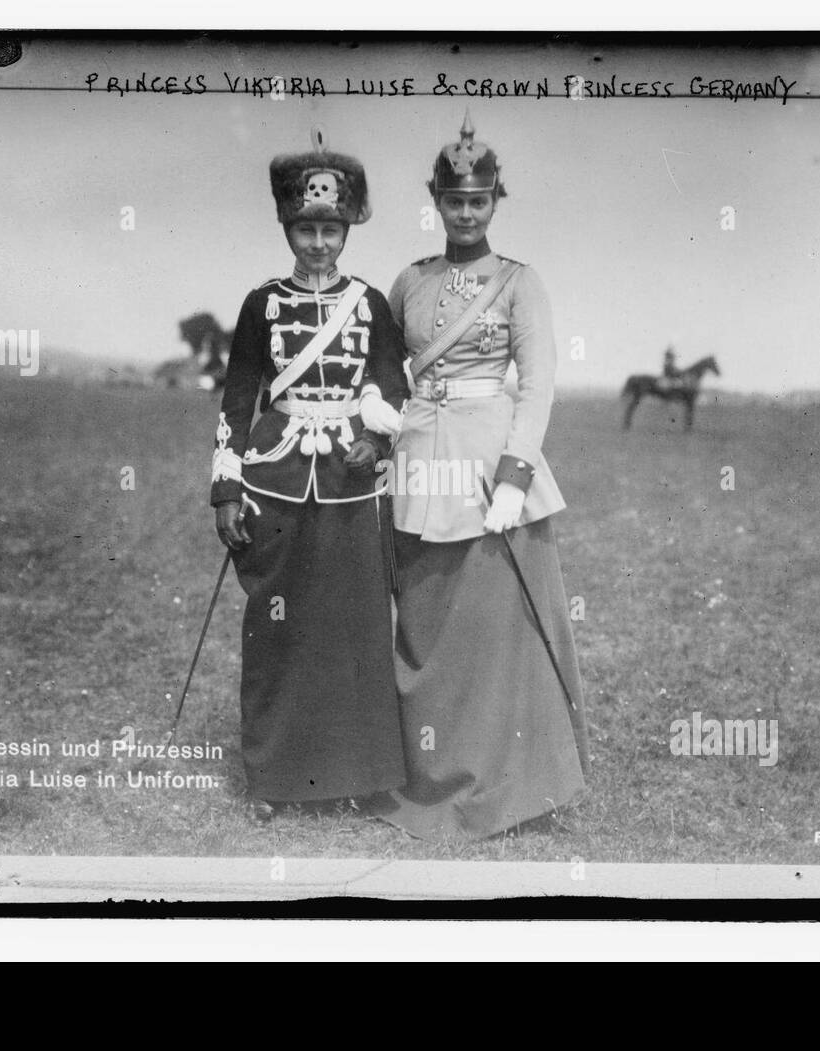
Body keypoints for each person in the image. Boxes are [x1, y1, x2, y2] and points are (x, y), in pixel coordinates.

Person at [359, 113, 590, 840]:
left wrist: (515, 478)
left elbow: (539, 383)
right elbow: (384, 369)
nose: (465, 213)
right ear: (436, 199)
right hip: (423, 459)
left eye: (479, 201)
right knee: (425, 623)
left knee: (495, 630)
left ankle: (507, 787)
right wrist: (375, 417)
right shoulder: (409, 281)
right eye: (453, 200)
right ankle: (427, 774)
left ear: (495, 201)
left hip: (491, 462)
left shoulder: (522, 284)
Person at [210, 128, 409, 820]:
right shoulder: (260, 304)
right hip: (276, 479)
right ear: (286, 225)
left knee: (355, 629)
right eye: (305, 227)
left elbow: (394, 389)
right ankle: (276, 777)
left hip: (352, 485)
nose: (318, 242)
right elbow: (239, 399)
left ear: (348, 227)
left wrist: (376, 446)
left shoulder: (371, 304)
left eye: (330, 228)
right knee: (277, 626)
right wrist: (226, 488)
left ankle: (359, 774)